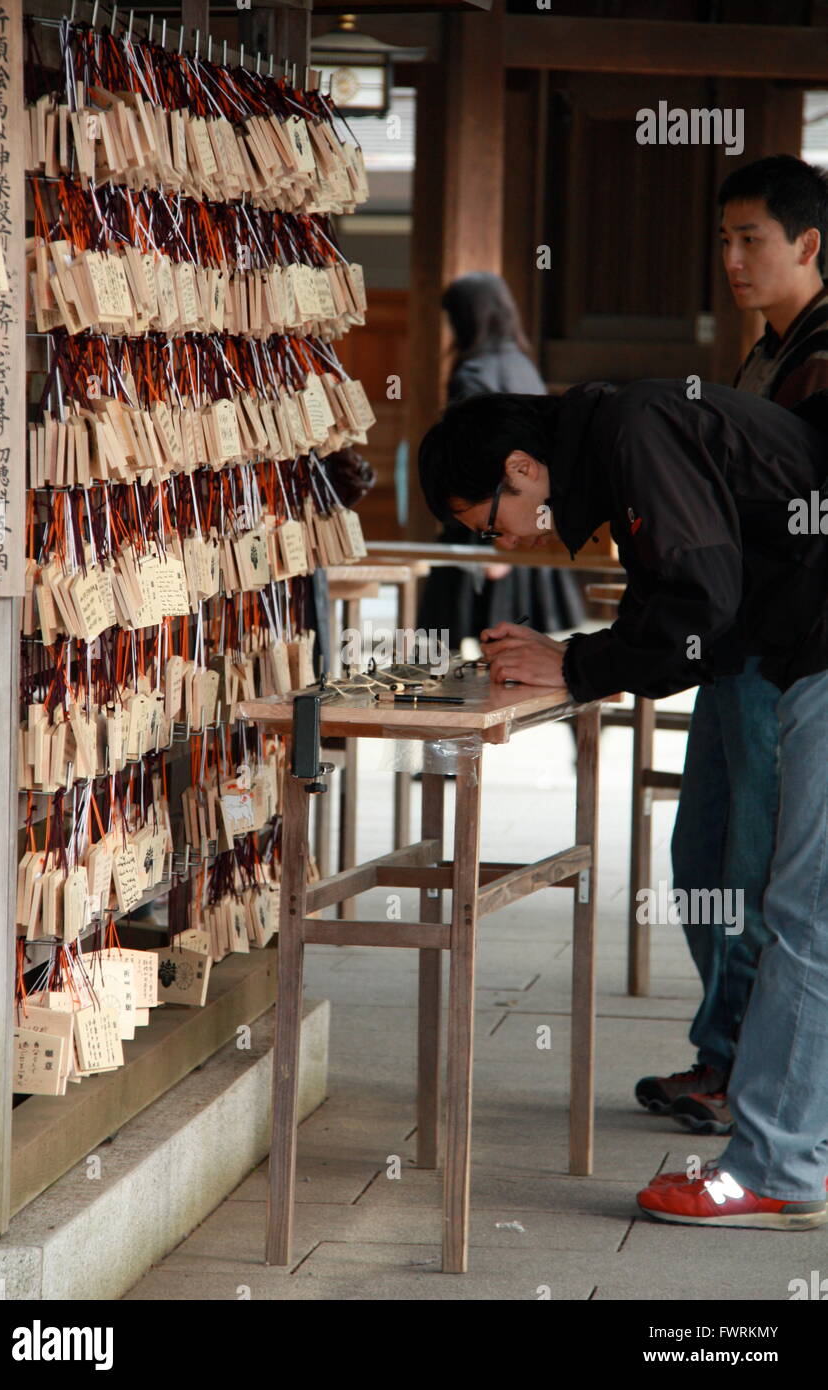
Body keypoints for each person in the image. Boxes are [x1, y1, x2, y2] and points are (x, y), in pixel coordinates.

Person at [418, 381, 828, 1227]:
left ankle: (777, 1168)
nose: (503, 538)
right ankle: (794, 1146)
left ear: (522, 466)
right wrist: (578, 658)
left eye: (491, 519)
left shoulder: (631, 430)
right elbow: (688, 603)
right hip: (802, 644)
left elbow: (699, 600)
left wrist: (577, 666)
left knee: (805, 913)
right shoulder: (618, 431)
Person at [637, 155, 828, 1139]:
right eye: (722, 239)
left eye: (749, 238)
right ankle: (723, 1049)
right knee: (700, 851)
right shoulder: (767, 350)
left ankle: (744, 1072)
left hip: (780, 650)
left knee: (753, 867)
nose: (730, 258)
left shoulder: (822, 356)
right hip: (732, 643)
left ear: (807, 244)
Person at [416, 271, 583, 653]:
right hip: (526, 515)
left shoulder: (473, 373)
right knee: (518, 641)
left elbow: (470, 469)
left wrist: (491, 543)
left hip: (490, 517)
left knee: (462, 642)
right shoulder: (522, 363)